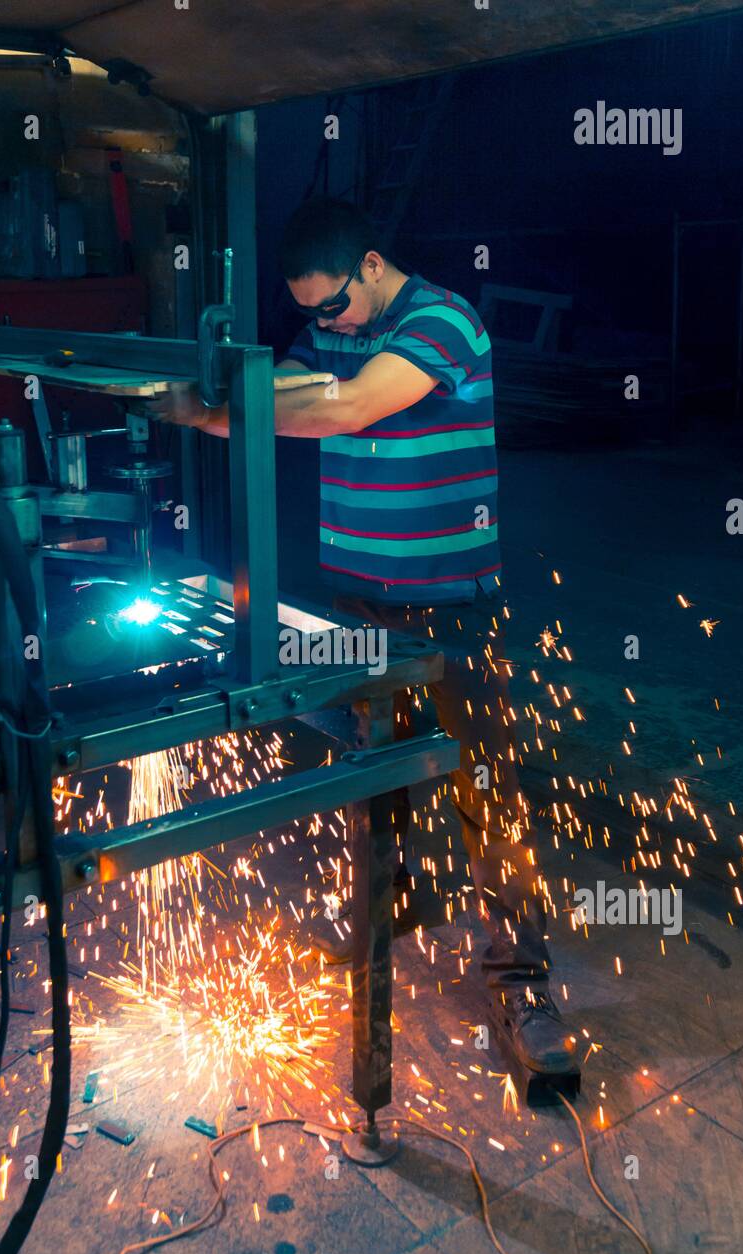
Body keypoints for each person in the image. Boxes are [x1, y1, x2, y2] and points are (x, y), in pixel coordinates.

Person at [148, 197, 577, 1079]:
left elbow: (343, 411)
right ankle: (388, 914)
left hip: (450, 602)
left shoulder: (442, 321)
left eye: (332, 306)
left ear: (373, 267)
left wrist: (240, 405)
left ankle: (522, 978)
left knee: (482, 784)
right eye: (307, 313)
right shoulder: (333, 330)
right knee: (376, 770)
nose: (322, 325)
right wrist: (199, 409)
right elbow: (288, 401)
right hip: (358, 600)